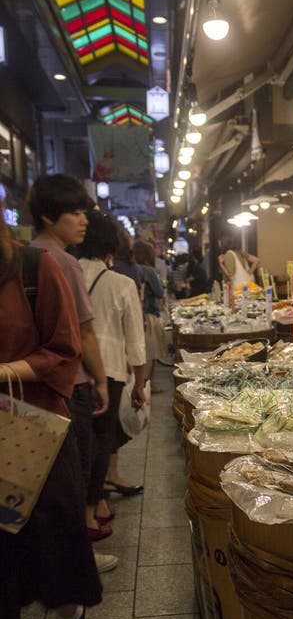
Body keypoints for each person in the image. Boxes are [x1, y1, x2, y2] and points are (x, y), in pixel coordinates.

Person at [0, 213, 102, 619]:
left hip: (33, 427)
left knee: (52, 534)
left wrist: (6, 372)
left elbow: (65, 349)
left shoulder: (35, 268)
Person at [28, 175, 115, 568]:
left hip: (37, 384)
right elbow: (84, 330)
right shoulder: (64, 262)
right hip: (71, 382)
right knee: (75, 473)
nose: (84, 221)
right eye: (74, 213)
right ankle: (78, 561)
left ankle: (48, 559)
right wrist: (101, 380)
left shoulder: (25, 256)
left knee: (45, 477)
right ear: (49, 216)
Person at [78, 212, 147, 538]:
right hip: (111, 371)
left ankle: (97, 505)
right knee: (102, 442)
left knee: (80, 443)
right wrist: (140, 383)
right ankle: (90, 514)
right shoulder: (122, 284)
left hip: (73, 372)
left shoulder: (65, 272)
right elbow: (136, 341)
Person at [133, 239, 167, 392]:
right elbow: (159, 292)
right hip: (149, 315)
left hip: (135, 314)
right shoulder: (148, 270)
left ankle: (140, 385)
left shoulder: (131, 268)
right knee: (150, 353)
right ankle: (146, 387)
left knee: (140, 353)